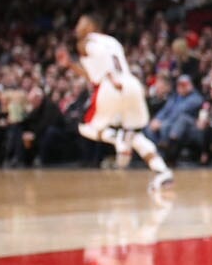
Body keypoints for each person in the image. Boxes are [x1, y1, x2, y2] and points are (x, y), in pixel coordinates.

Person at [55, 14, 173, 192]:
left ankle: (118, 140)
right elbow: (100, 70)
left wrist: (110, 79)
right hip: (132, 84)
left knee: (84, 126)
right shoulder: (112, 41)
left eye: (80, 23)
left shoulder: (85, 42)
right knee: (134, 134)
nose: (76, 27)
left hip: (111, 86)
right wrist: (71, 65)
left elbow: (98, 75)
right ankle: (162, 172)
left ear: (90, 26)